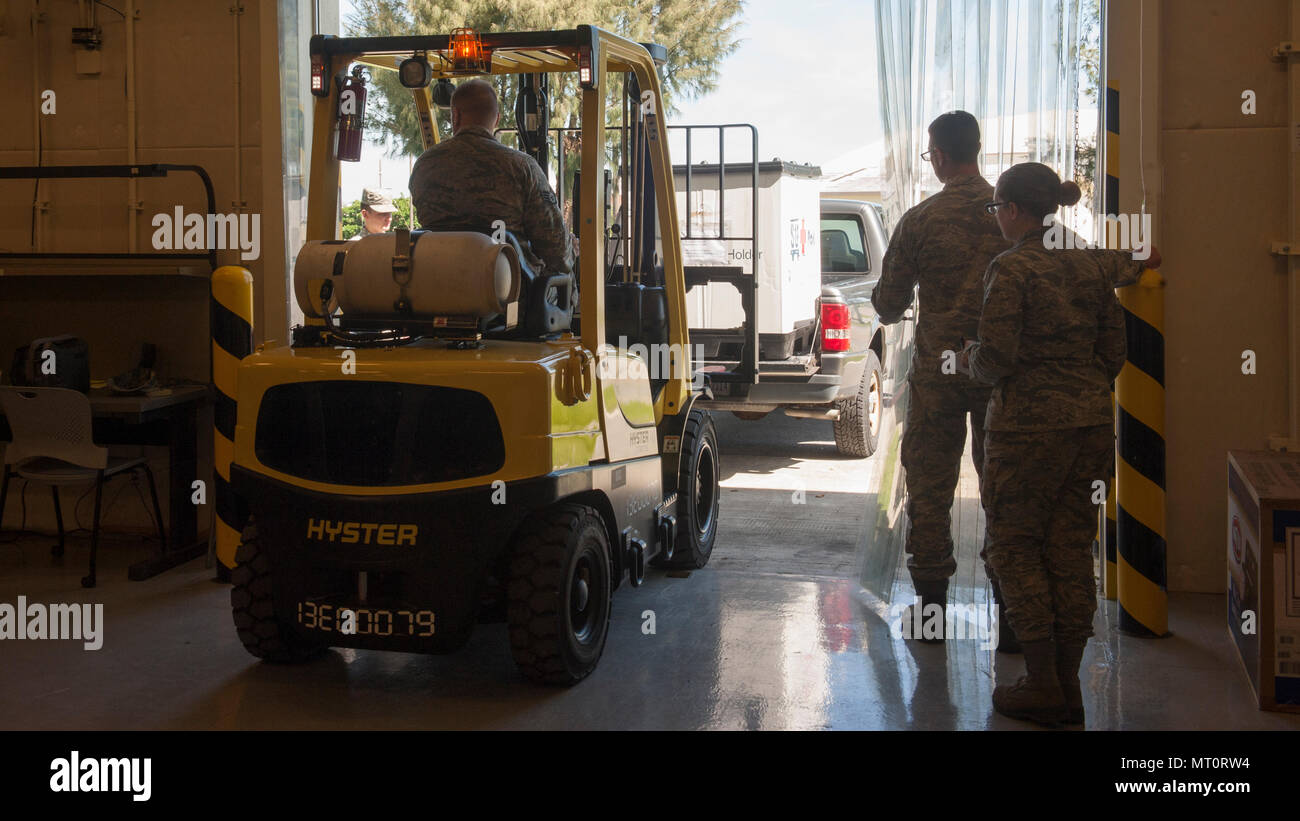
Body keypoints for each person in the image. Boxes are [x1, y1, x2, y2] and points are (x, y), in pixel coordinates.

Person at [962, 162, 1160, 725]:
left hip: (1026, 431)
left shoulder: (1013, 267)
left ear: (1015, 211)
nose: (995, 216)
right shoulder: (1091, 262)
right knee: (1071, 546)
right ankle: (1069, 685)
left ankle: (1041, 681)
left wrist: (971, 360)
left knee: (1014, 546)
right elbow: (1114, 351)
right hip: (1091, 424)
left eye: (996, 207)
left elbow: (996, 357)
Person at [871, 111, 1012, 643]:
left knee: (930, 490)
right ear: (977, 148)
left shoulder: (921, 219)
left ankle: (931, 617)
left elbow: (888, 305)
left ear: (942, 157)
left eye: (930, 156)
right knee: (1004, 489)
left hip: (939, 377)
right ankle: (1014, 621)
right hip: (1000, 376)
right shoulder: (1015, 213)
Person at [408, 78, 573, 274]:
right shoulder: (522, 166)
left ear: (455, 115)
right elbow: (556, 249)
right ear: (496, 119)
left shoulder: (424, 166)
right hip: (508, 292)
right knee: (565, 278)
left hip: (441, 284)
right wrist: (572, 250)